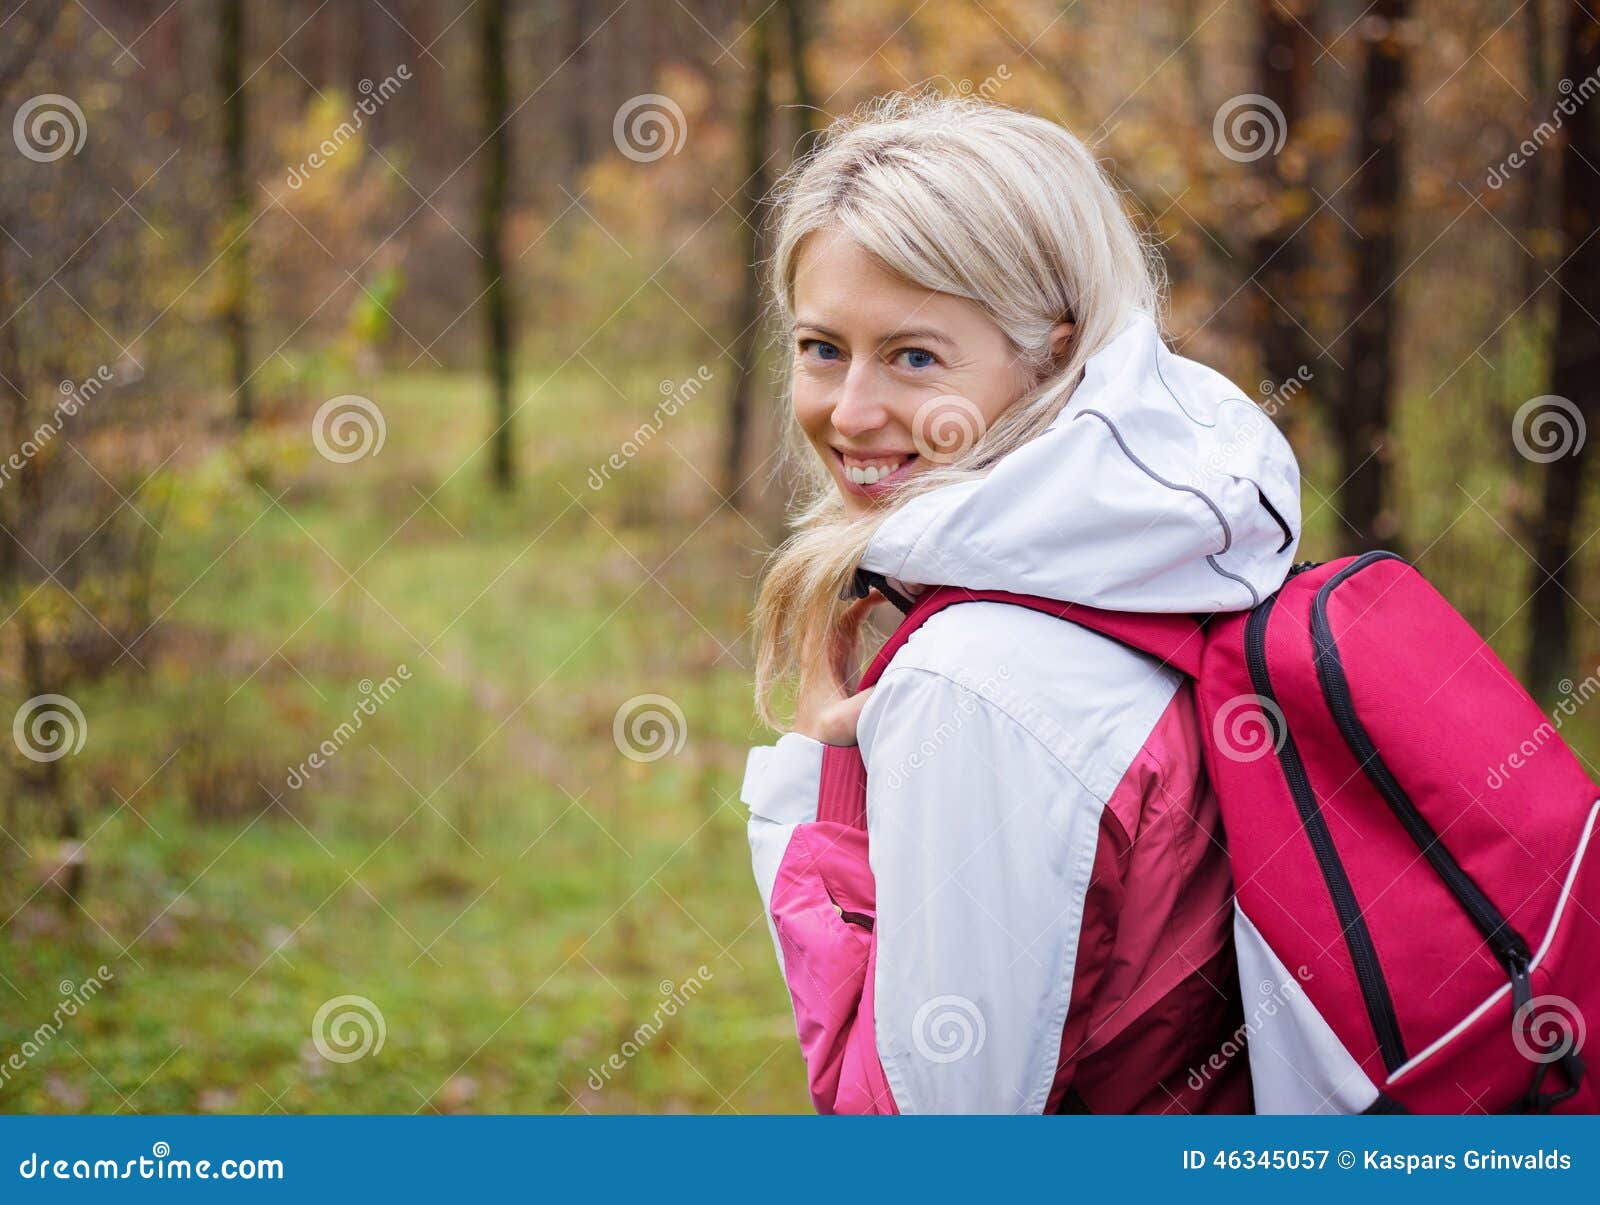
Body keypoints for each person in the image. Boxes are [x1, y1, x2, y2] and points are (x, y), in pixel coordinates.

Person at [740, 91, 1301, 1114]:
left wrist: (813, 821)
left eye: (913, 355)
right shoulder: (1165, 566)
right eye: (821, 347)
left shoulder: (979, 680)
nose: (850, 411)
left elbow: (924, 1127)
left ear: (1052, 351)